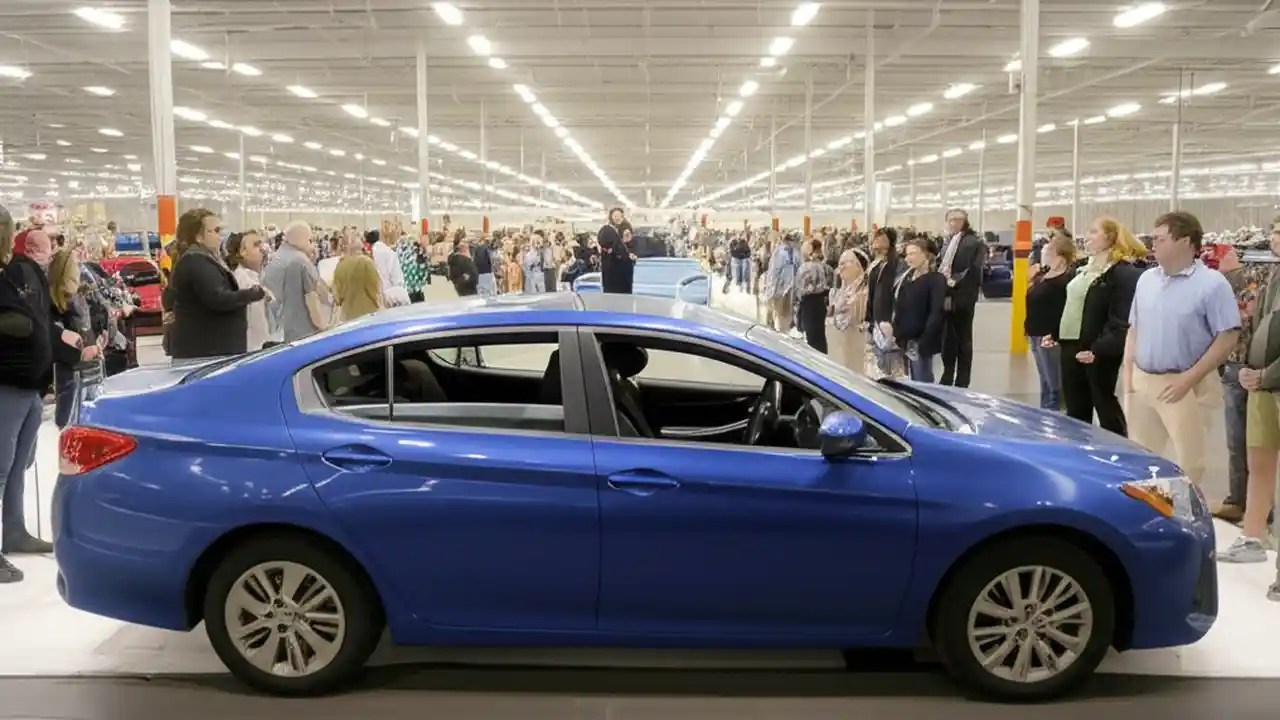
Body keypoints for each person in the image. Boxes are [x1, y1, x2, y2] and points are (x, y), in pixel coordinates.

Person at [1125, 211, 1240, 487]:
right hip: (1143, 381)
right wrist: (1128, 375)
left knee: (1189, 463)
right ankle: (1145, 517)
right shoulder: (1146, 280)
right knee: (1139, 458)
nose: (1153, 244)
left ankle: (1185, 520)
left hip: (1188, 384)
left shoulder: (1212, 284)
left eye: (1160, 239)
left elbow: (1228, 335)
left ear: (1185, 241)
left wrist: (1188, 379)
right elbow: (1134, 327)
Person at [0, 208, 72, 579]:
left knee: (18, 466)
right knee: (0, 467)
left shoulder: (15, 273)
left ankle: (13, 530)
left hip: (30, 383)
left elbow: (40, 320)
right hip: (6, 383)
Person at [1220, 222, 1280, 565]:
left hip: (1270, 381)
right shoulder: (1271, 277)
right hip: (1260, 384)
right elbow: (1255, 326)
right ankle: (1253, 538)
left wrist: (1265, 374)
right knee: (1258, 464)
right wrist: (1247, 367)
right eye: (1274, 232)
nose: (1274, 239)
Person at [1057, 218, 1145, 435]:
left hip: (1098, 349)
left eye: (1093, 231)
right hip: (1072, 345)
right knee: (1076, 407)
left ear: (1110, 237)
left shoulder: (1123, 273)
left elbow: (1121, 319)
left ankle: (1117, 451)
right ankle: (1077, 451)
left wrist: (1098, 348)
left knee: (1103, 401)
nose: (1087, 236)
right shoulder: (1083, 269)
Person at [163, 209, 268, 359]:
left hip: (210, 348)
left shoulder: (204, 258)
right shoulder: (196, 261)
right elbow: (218, 298)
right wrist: (255, 293)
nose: (220, 236)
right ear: (199, 236)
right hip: (206, 350)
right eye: (216, 231)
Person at [47, 249, 101, 428]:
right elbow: (62, 340)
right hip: (73, 371)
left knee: (81, 422)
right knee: (72, 423)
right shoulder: (60, 301)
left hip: (86, 368)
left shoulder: (75, 297)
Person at [1025, 233, 1078, 410]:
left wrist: (1054, 334)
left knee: (1055, 384)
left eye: (1049, 253)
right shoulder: (1043, 277)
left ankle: (1058, 418)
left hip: (1049, 336)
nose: (1044, 256)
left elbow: (1064, 312)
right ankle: (1045, 415)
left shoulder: (1064, 282)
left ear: (1061, 258)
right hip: (1035, 333)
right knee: (1045, 382)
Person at [937, 209, 986, 387]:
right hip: (946, 295)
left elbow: (975, 270)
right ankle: (948, 373)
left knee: (964, 338)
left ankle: (963, 379)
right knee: (947, 338)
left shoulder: (974, 242)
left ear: (965, 221)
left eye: (957, 220)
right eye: (950, 220)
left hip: (963, 296)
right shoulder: (946, 241)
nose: (953, 223)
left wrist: (954, 282)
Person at [891, 237, 948, 382]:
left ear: (926, 254)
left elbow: (936, 311)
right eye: (907, 254)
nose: (909, 258)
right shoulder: (905, 280)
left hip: (921, 340)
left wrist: (925, 339)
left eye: (913, 253)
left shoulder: (936, 279)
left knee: (922, 379)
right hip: (905, 339)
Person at [262, 220, 324, 343]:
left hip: (276, 327)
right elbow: (312, 301)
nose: (312, 246)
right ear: (301, 239)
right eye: (310, 240)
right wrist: (324, 329)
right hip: (300, 332)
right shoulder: (300, 261)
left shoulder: (278, 256)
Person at [865, 228, 904, 378]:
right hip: (876, 316)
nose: (875, 242)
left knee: (892, 362)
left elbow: (898, 293)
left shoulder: (896, 264)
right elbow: (872, 291)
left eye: (880, 239)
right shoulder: (876, 264)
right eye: (875, 239)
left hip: (888, 317)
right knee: (879, 359)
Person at [225, 231, 271, 352]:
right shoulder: (241, 280)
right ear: (242, 252)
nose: (262, 249)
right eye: (256, 245)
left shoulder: (254, 277)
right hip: (250, 350)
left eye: (262, 244)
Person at [830, 248, 869, 372]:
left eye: (844, 263)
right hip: (840, 349)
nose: (840, 268)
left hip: (858, 346)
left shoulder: (864, 292)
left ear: (858, 266)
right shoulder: (838, 291)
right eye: (839, 264)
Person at [795, 239, 835, 353]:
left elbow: (799, 291)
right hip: (822, 304)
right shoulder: (827, 268)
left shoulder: (804, 268)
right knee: (821, 337)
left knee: (811, 337)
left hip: (808, 305)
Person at [332, 233, 382, 323]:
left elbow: (336, 296)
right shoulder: (368, 263)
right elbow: (376, 289)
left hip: (347, 317)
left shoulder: (339, 266)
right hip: (369, 315)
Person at [764, 233, 801, 333]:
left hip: (789, 284)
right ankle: (776, 326)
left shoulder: (795, 252)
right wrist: (772, 285)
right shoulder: (780, 251)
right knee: (778, 308)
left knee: (786, 309)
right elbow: (774, 269)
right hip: (781, 284)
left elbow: (798, 267)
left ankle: (784, 327)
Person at [598, 208, 635, 294]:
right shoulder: (607, 230)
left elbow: (628, 245)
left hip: (622, 268)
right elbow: (612, 247)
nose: (617, 218)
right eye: (615, 216)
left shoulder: (626, 228)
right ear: (610, 217)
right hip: (612, 266)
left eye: (620, 216)